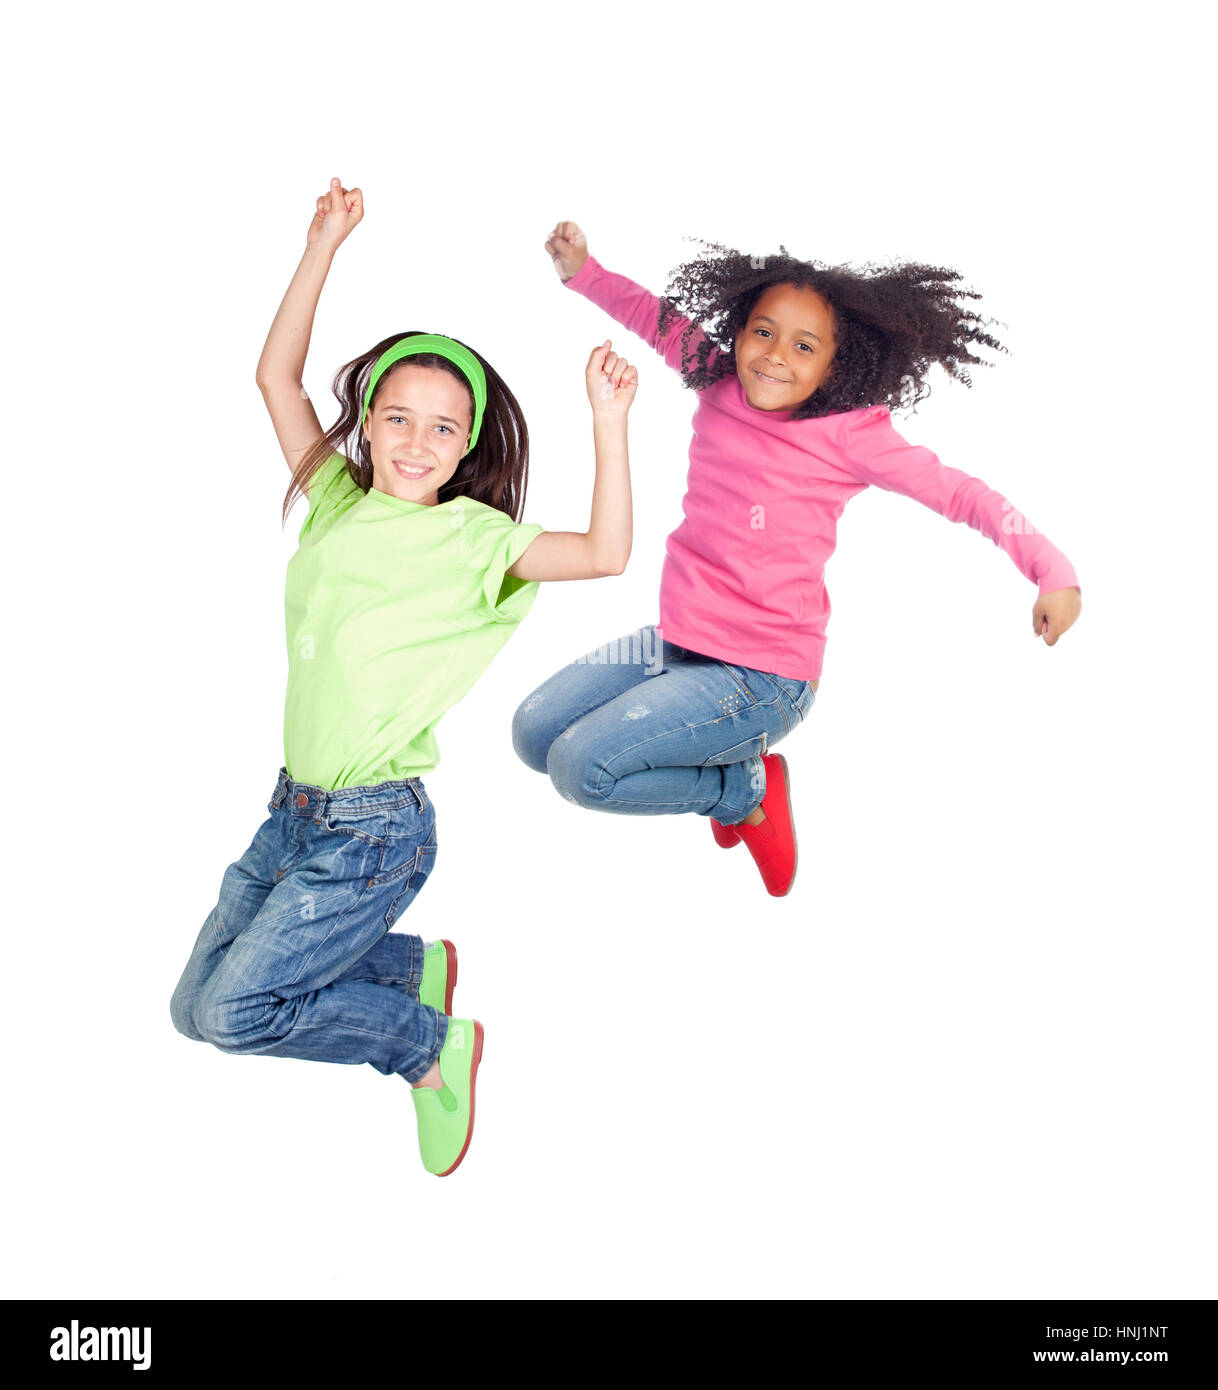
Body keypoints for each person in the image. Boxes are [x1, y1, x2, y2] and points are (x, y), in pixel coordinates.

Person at [170, 182, 637, 1176]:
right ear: (369, 424)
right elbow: (274, 377)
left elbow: (603, 554)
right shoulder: (336, 501)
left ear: (467, 444)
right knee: (191, 1008)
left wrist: (607, 420)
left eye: (442, 426)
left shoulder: (478, 540)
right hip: (291, 814)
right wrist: (322, 243)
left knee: (236, 1012)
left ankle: (428, 1046)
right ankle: (411, 967)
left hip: (375, 830)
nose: (418, 441)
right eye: (398, 417)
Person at [512, 223, 1082, 897]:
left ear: (834, 366)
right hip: (678, 642)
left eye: (803, 346)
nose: (775, 356)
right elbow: (652, 316)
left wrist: (1053, 572)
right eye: (763, 332)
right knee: (533, 735)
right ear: (740, 331)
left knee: (582, 768)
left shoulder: (851, 436)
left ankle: (739, 790)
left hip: (763, 675)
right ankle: (728, 776)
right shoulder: (715, 376)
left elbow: (963, 495)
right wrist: (583, 270)